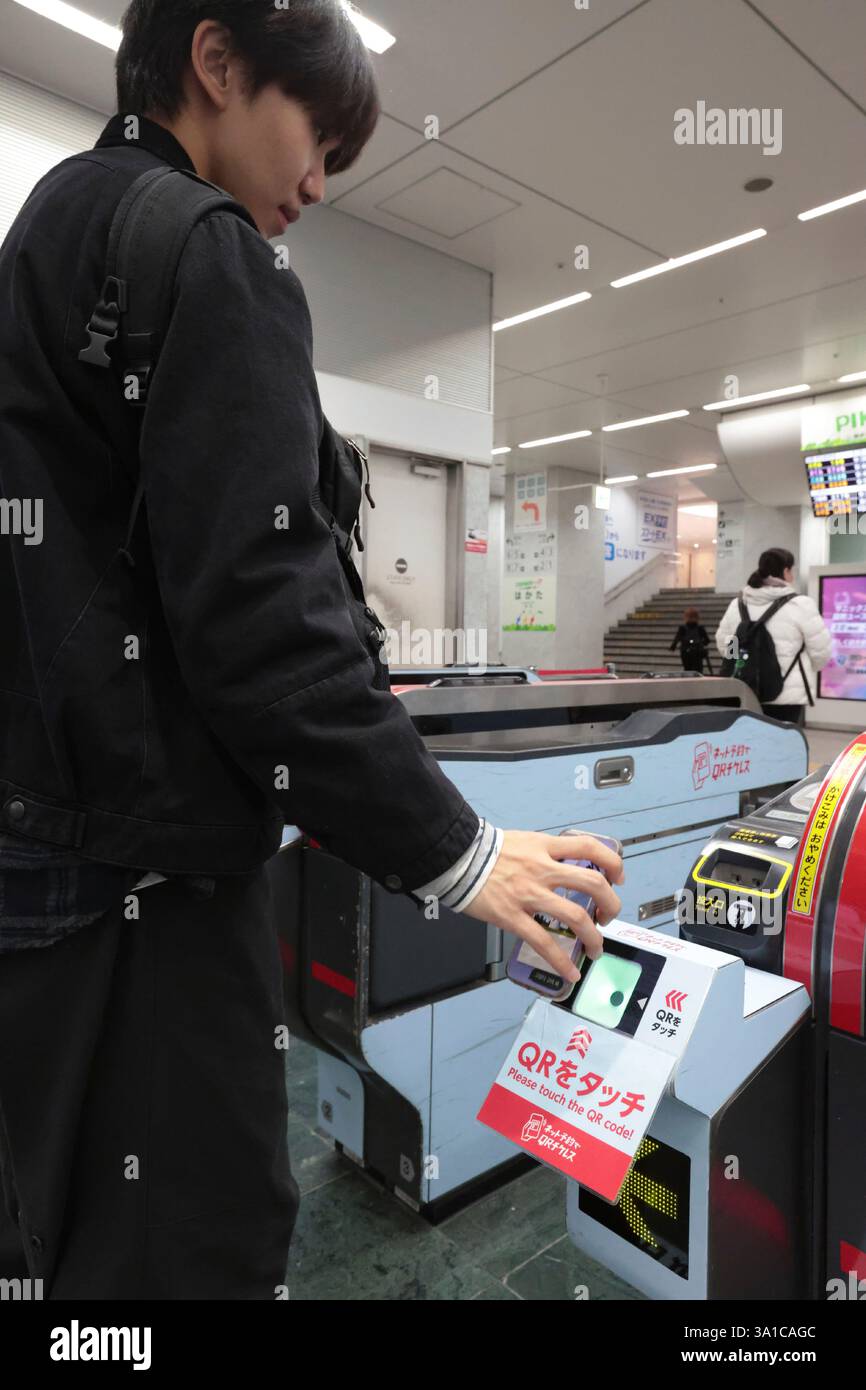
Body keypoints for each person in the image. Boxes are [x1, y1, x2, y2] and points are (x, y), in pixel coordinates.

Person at [0, 0, 623, 1300]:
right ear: (216, 63)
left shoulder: (54, 224)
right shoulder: (212, 252)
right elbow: (264, 633)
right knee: (196, 1238)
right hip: (148, 883)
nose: (318, 182)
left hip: (36, 863)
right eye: (314, 133)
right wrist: (460, 854)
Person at [715, 547, 832, 725]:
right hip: (786, 695)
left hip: (745, 689)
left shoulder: (737, 604)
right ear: (785, 571)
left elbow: (727, 646)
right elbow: (821, 652)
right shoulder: (801, 605)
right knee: (785, 746)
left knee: (751, 744)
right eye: (791, 570)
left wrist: (745, 661)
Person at [670, 606, 711, 674]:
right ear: (697, 617)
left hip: (685, 652)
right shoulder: (700, 628)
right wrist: (699, 643)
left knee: (687, 670)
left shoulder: (682, 628)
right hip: (697, 652)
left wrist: (673, 647)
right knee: (698, 671)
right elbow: (707, 641)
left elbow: (677, 639)